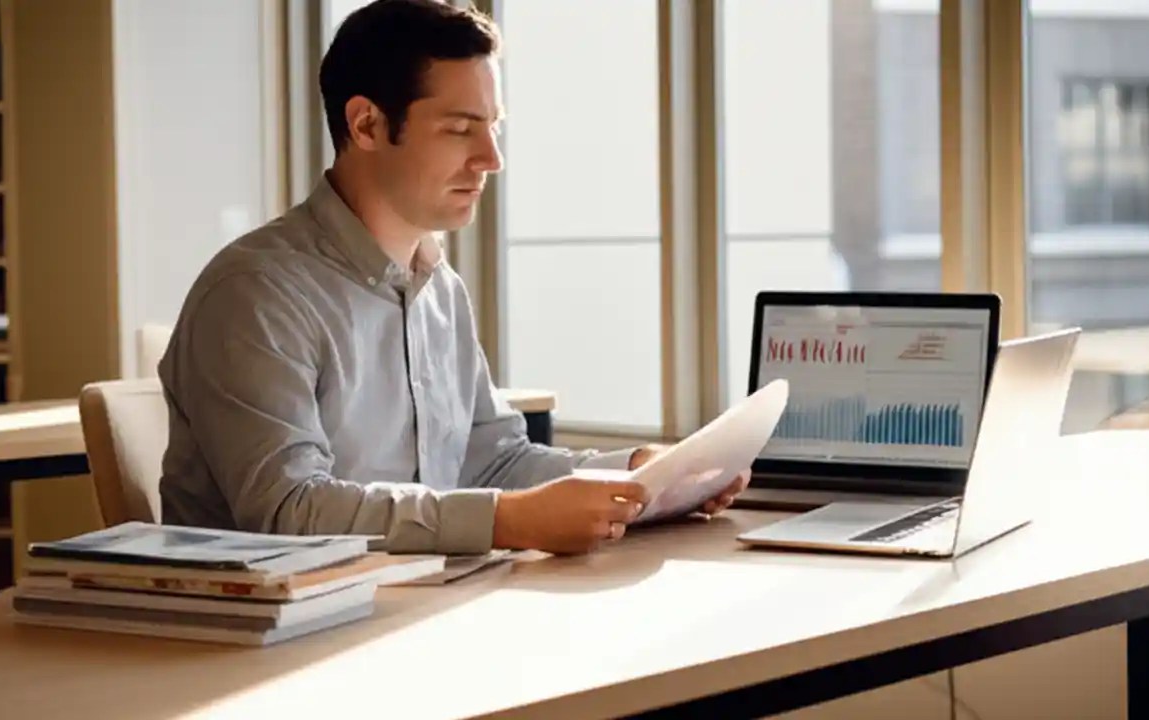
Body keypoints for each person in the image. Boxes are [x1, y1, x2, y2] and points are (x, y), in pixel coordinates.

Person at [156, 0, 747, 556]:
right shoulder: (255, 294)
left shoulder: (437, 287)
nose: (492, 158)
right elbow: (288, 508)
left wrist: (639, 473)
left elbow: (491, 462)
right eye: (461, 129)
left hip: (413, 607)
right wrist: (507, 521)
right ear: (366, 125)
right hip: (273, 643)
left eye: (494, 127)